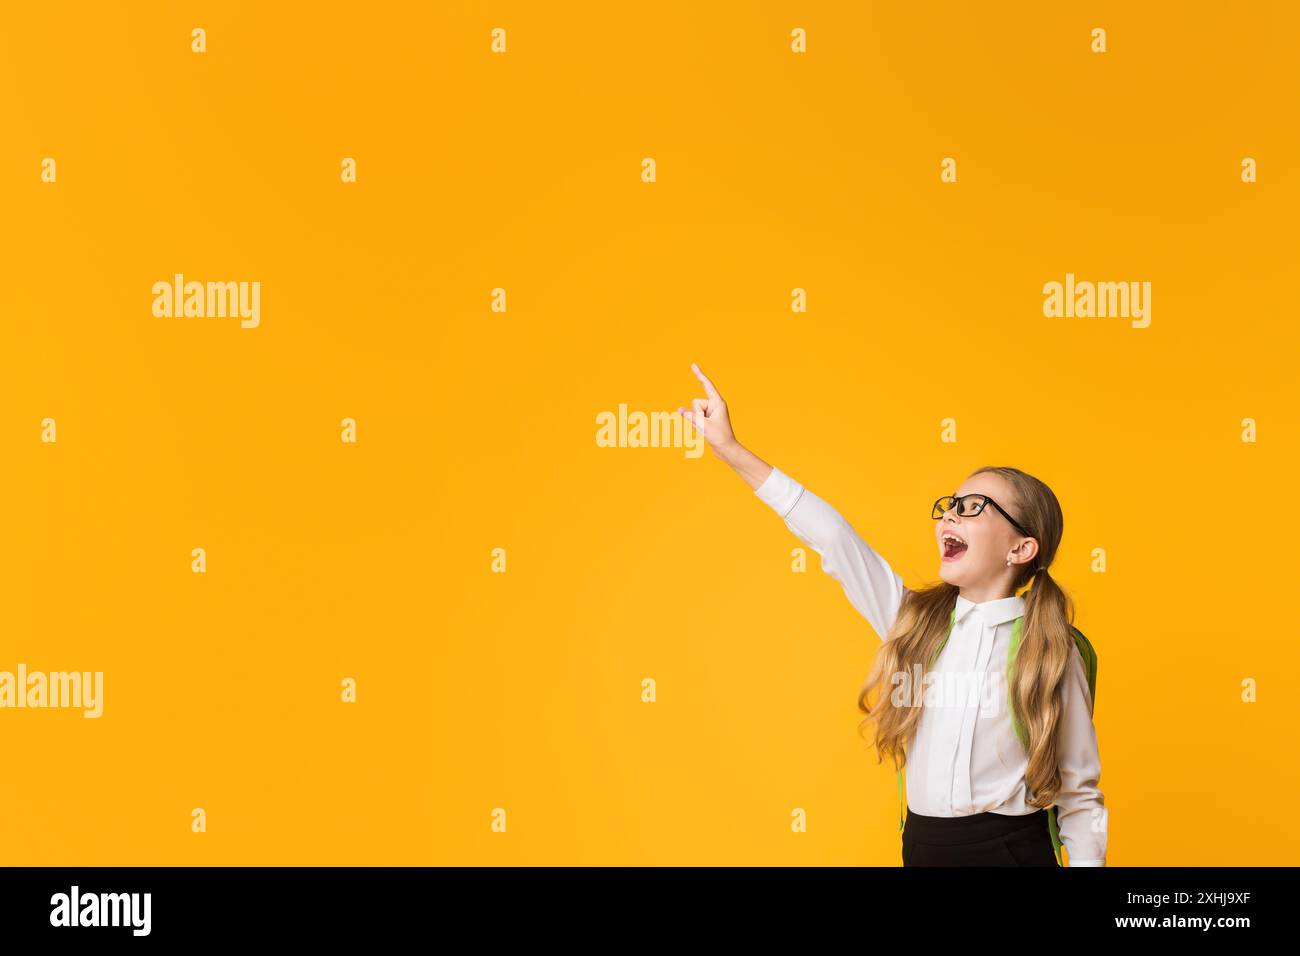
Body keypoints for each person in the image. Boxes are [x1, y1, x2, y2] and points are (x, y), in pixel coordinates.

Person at [677, 362, 1107, 866]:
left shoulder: (1051, 651)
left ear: (1021, 548)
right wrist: (732, 451)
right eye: (951, 504)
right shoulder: (912, 621)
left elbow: (1080, 795)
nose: (950, 513)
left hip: (1012, 853)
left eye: (974, 507)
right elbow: (835, 539)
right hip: (924, 849)